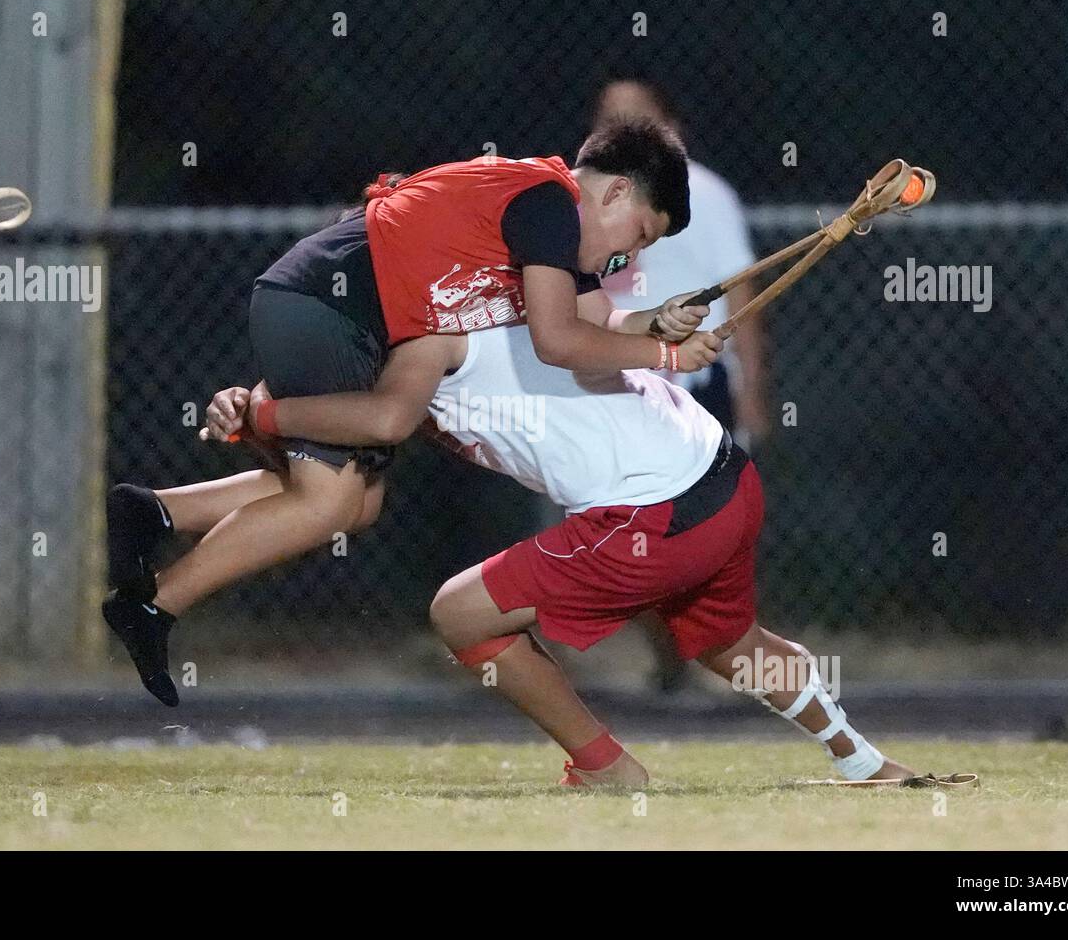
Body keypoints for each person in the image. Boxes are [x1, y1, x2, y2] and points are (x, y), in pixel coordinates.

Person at [104, 116, 722, 705]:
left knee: (355, 503)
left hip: (330, 307)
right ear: (615, 192)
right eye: (640, 235)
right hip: (327, 305)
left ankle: (157, 514)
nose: (627, 259)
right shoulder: (549, 203)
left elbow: (595, 321)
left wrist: (656, 322)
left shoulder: (548, 213)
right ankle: (155, 603)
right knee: (333, 496)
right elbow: (558, 342)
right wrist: (664, 355)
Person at [203, 319, 913, 787]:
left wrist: (260, 413)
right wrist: (256, 416)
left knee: (459, 613)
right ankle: (863, 759)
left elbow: (355, 460)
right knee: (729, 641)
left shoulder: (417, 342)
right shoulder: (489, 297)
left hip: (652, 510)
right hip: (722, 478)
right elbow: (338, 461)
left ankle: (606, 767)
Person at [593, 79, 772, 692]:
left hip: (693, 384)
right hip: (616, 382)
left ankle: (713, 651)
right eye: (612, 120)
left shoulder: (708, 195)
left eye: (639, 119)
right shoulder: (580, 196)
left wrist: (751, 386)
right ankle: (672, 659)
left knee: (698, 529)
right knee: (623, 526)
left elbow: (741, 288)